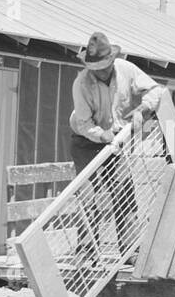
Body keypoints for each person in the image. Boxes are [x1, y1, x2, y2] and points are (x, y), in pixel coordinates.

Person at [68, 31, 165, 255]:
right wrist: (101, 135)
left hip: (118, 140)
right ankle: (87, 252)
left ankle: (130, 251)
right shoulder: (81, 83)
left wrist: (144, 108)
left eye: (104, 65)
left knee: (124, 190)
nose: (101, 71)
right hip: (86, 141)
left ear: (112, 60)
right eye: (96, 67)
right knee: (88, 193)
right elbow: (83, 123)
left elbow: (156, 90)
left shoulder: (126, 69)